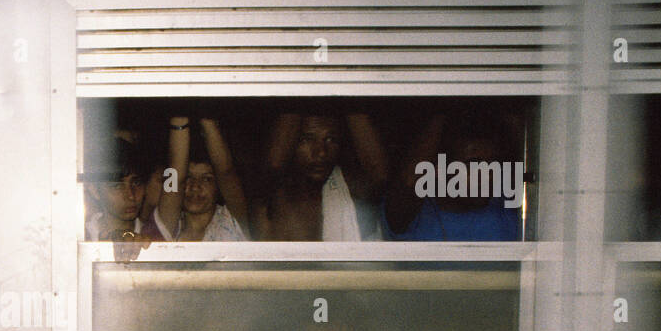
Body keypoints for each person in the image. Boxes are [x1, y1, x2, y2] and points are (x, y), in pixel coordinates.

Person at [383, 112, 523, 241]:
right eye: (473, 164)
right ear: (439, 169)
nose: (488, 175)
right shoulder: (416, 215)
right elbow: (409, 182)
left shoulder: (508, 211)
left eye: (493, 164)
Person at [251, 110, 388, 241]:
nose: (321, 152)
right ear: (291, 142)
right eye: (307, 139)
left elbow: (378, 173)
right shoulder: (274, 199)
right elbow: (274, 166)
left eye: (330, 140)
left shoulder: (348, 189)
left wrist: (347, 90)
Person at [144, 115, 249, 241]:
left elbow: (226, 172)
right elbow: (174, 173)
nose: (195, 187)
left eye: (206, 179)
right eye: (189, 177)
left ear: (218, 187)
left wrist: (206, 115)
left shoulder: (232, 219)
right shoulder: (169, 222)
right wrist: (179, 111)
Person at [84, 136, 146, 241]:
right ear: (94, 190)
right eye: (117, 186)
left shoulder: (152, 234)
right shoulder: (80, 236)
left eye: (136, 183)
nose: (131, 195)